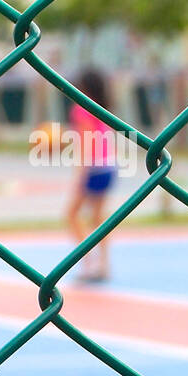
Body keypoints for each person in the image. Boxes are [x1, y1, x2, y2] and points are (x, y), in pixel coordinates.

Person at [65, 69, 117, 283]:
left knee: (72, 214)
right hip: (109, 165)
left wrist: (80, 176)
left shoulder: (81, 109)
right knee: (98, 218)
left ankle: (88, 264)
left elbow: (87, 143)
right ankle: (103, 265)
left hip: (95, 167)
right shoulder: (100, 107)